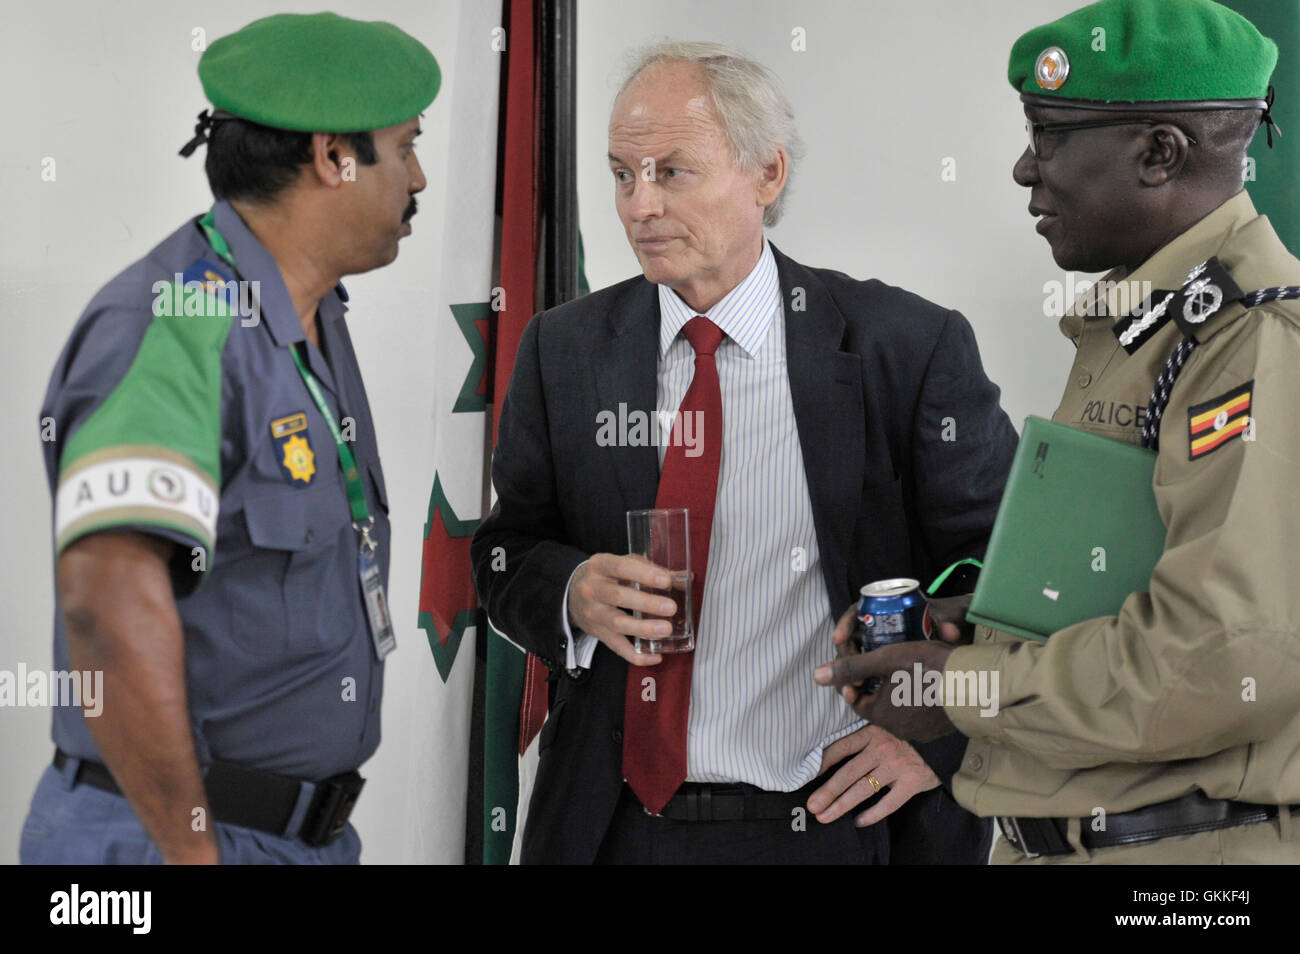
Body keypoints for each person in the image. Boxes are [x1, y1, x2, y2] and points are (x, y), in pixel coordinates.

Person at [471, 40, 1018, 864]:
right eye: (622, 174)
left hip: (836, 823)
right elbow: (503, 553)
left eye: (670, 172)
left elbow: (1005, 581)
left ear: (767, 174)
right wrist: (573, 591)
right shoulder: (565, 349)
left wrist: (941, 744)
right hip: (609, 826)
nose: (639, 206)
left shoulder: (903, 348)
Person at [818, 0, 1300, 863]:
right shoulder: (1154, 328)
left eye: (1048, 134)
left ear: (1160, 153)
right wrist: (991, 627)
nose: (1022, 169)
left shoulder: (1252, 344)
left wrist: (958, 688)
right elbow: (1138, 582)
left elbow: (1218, 663)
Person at [20, 12, 438, 865]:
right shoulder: (179, 322)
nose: (419, 178)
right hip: (168, 845)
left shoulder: (307, 314)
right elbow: (105, 601)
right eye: (406, 147)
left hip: (289, 840)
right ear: (334, 157)